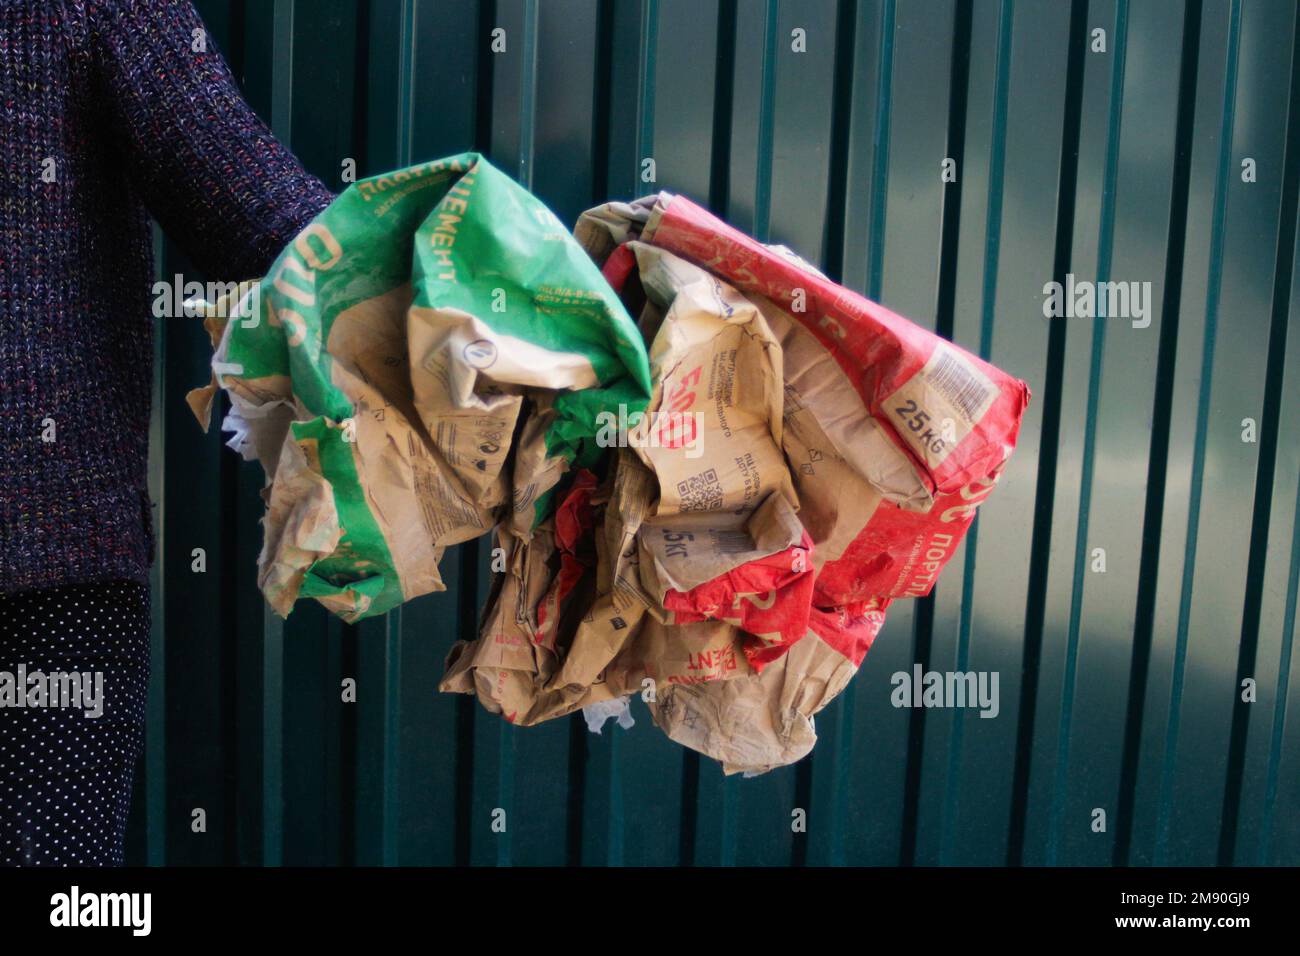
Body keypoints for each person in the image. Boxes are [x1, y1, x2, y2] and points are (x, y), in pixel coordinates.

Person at [0, 0, 333, 865]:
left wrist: (473, 295)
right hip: (53, 565)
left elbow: (256, 211)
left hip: (48, 577)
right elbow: (257, 210)